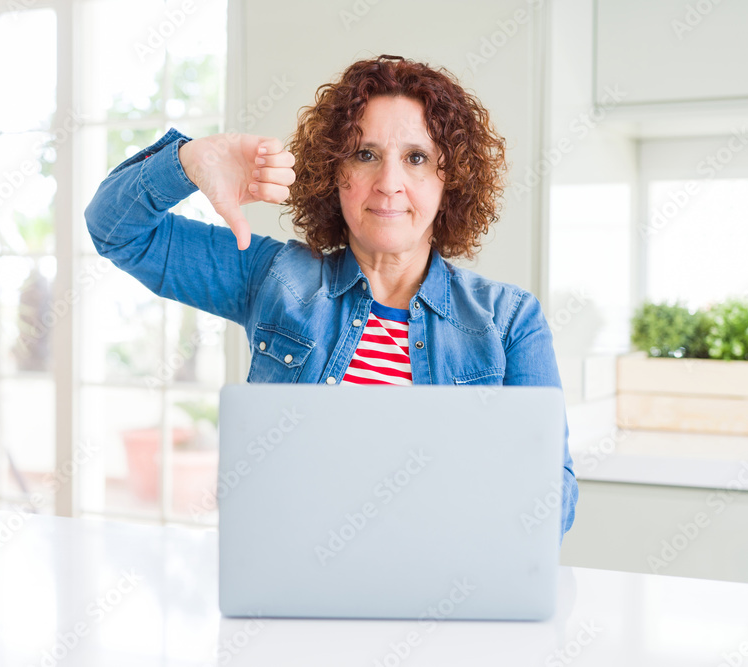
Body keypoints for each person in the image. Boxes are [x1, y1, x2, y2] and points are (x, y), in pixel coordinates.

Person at [85, 54, 578, 540]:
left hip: (443, 584)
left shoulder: (509, 320)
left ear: (451, 181)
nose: (388, 184)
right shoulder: (274, 278)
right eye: (365, 155)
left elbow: (550, 501)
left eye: (417, 158)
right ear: (333, 172)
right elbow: (115, 230)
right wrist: (188, 161)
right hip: (292, 581)